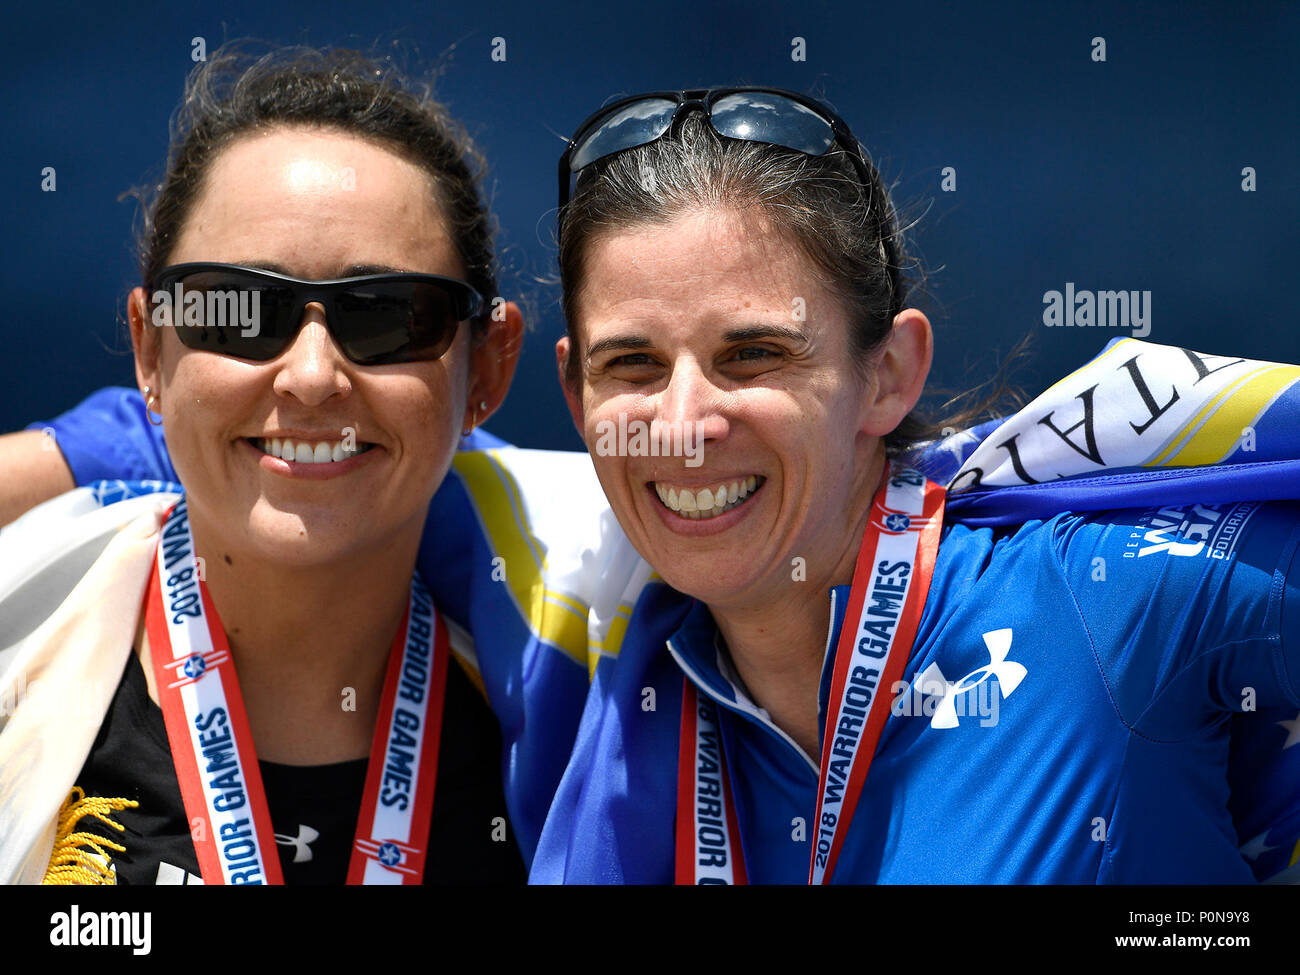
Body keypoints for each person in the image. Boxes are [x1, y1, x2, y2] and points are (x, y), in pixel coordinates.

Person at [531, 88, 1300, 883]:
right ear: (575, 394)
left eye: (753, 353)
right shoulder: (568, 675)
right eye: (632, 364)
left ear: (889, 374)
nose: (683, 423)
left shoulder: (1097, 600)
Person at [0, 44, 632, 885]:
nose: (309, 377)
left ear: (486, 370)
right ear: (150, 350)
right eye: (238, 311)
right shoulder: (21, 647)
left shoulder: (614, 726)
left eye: (386, 317)